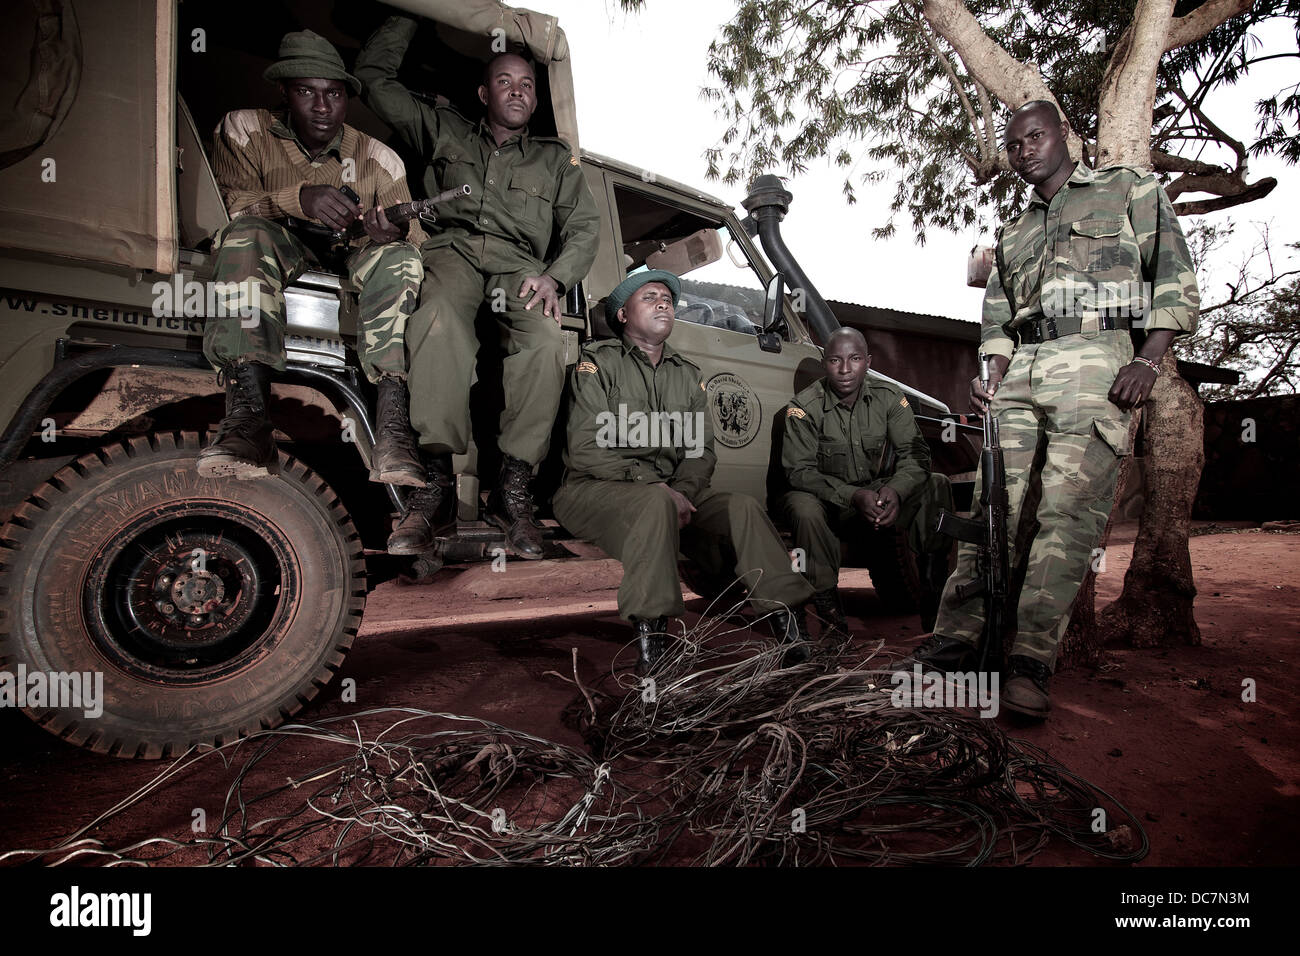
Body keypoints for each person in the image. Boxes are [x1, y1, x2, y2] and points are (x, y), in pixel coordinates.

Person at [914, 100, 1199, 718]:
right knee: (992, 507)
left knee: (1067, 514)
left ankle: (1030, 662)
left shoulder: (1129, 189)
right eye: (1013, 145)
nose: (1024, 152)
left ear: (1062, 136)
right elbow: (997, 318)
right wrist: (989, 369)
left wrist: (1147, 361)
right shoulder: (1013, 233)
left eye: (1034, 137)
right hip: (1021, 371)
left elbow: (1174, 278)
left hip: (1100, 360)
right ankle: (956, 642)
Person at [355, 15, 600, 558]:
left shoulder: (555, 161)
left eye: (528, 84)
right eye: (506, 82)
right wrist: (409, 12)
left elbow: (584, 228)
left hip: (519, 265)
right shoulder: (444, 129)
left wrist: (555, 276)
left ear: (536, 101)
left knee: (542, 340)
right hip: (453, 251)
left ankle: (513, 493)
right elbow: (374, 80)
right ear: (484, 92)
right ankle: (436, 485)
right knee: (437, 320)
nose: (518, 91)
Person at [552, 270, 815, 674]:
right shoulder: (598, 364)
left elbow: (700, 451)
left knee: (741, 508)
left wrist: (684, 492)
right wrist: (660, 488)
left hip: (670, 493)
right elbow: (587, 450)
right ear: (622, 314)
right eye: (650, 297)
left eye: (669, 300)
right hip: (593, 490)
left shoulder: (687, 375)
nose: (663, 304)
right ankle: (653, 646)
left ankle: (789, 625)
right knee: (656, 501)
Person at [198, 29, 426, 488]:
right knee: (244, 236)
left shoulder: (380, 159)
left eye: (334, 94)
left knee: (400, 257)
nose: (323, 107)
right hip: (279, 250)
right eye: (307, 92)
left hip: (353, 262)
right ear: (283, 91)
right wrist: (295, 199)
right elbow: (223, 210)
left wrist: (392, 229)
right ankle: (248, 421)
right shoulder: (245, 129)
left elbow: (416, 238)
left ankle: (393, 430)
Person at [780, 327, 953, 636]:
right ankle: (832, 623)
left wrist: (896, 491)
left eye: (854, 358)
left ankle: (935, 616)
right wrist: (853, 496)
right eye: (835, 360)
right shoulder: (803, 407)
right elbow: (799, 473)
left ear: (868, 362)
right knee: (801, 504)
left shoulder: (888, 398)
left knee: (935, 484)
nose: (845, 369)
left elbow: (916, 455)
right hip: (831, 504)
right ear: (824, 364)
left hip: (876, 497)